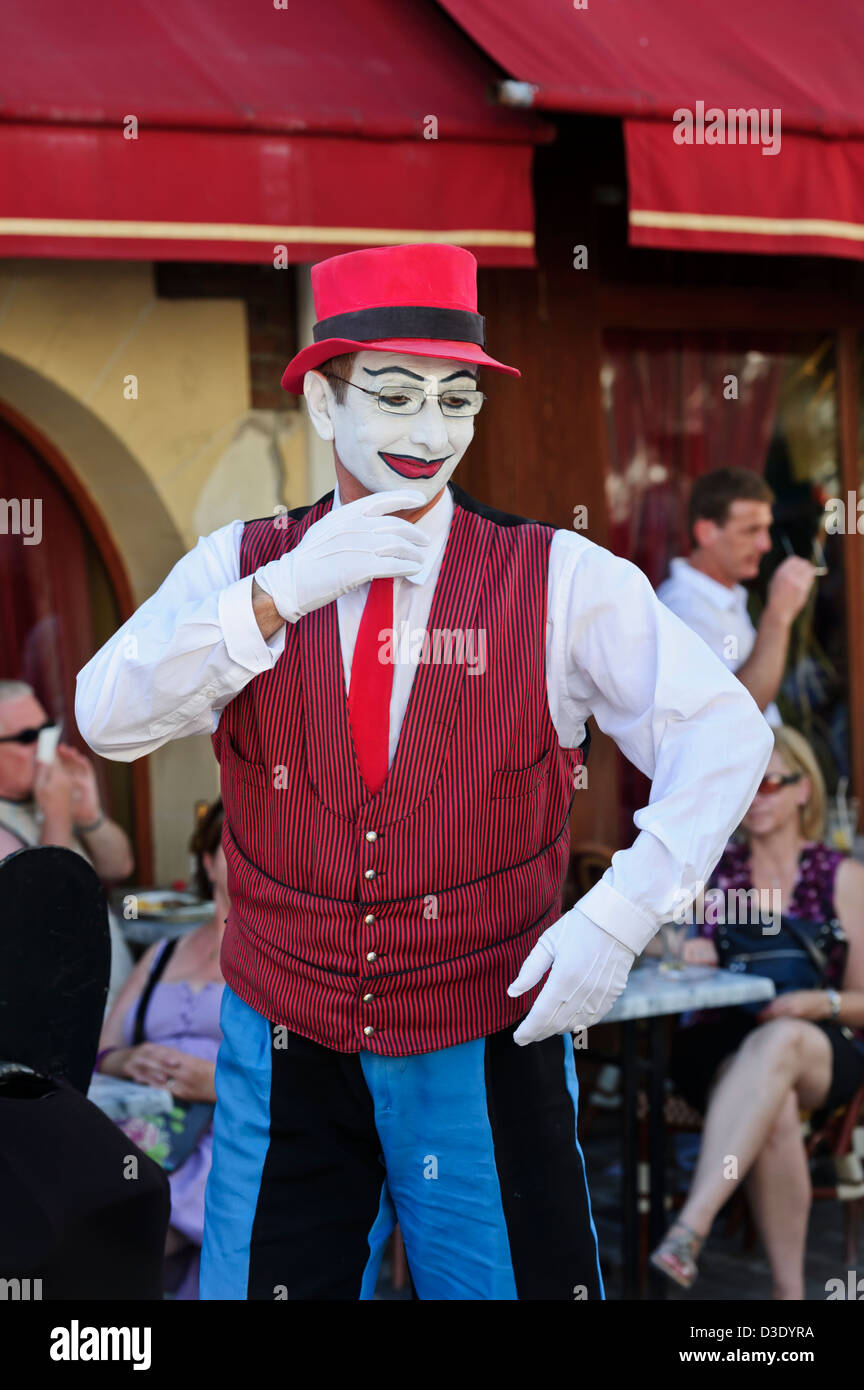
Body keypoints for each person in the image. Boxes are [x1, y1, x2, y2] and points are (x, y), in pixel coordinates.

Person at [76, 242, 773, 1301]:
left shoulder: (561, 576)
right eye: (396, 394)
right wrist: (277, 597)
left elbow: (725, 734)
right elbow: (108, 717)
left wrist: (621, 916)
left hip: (488, 1034)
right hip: (285, 1037)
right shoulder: (240, 564)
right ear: (320, 400)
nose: (430, 430)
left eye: (457, 400)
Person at [651, 726, 864, 1298]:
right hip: (720, 1043)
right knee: (773, 1102)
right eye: (749, 783)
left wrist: (819, 1002)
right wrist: (680, 946)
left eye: (771, 782)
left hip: (818, 1042)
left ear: (804, 792)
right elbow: (641, 937)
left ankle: (691, 1224)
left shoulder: (843, 878)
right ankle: (790, 1301)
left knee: (783, 1042)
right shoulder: (715, 872)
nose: (759, 795)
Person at [94, 799, 227, 1300]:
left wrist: (215, 1084)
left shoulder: (281, 964)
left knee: (131, 1237)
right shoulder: (162, 953)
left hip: (226, 1134)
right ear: (209, 862)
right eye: (229, 847)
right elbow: (102, 1054)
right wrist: (129, 1061)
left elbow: (313, 1081)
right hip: (145, 1128)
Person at [0, 678, 134, 1005]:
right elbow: (46, 917)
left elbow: (120, 866)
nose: (45, 747)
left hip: (114, 1005)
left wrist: (90, 816)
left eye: (47, 730)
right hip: (65, 1025)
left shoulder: (43, 795)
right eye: (28, 738)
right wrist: (58, 815)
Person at [657, 469, 817, 725]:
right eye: (751, 530)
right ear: (706, 532)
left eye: (766, 529)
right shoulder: (682, 609)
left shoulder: (727, 593)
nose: (765, 544)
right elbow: (735, 717)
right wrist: (778, 616)